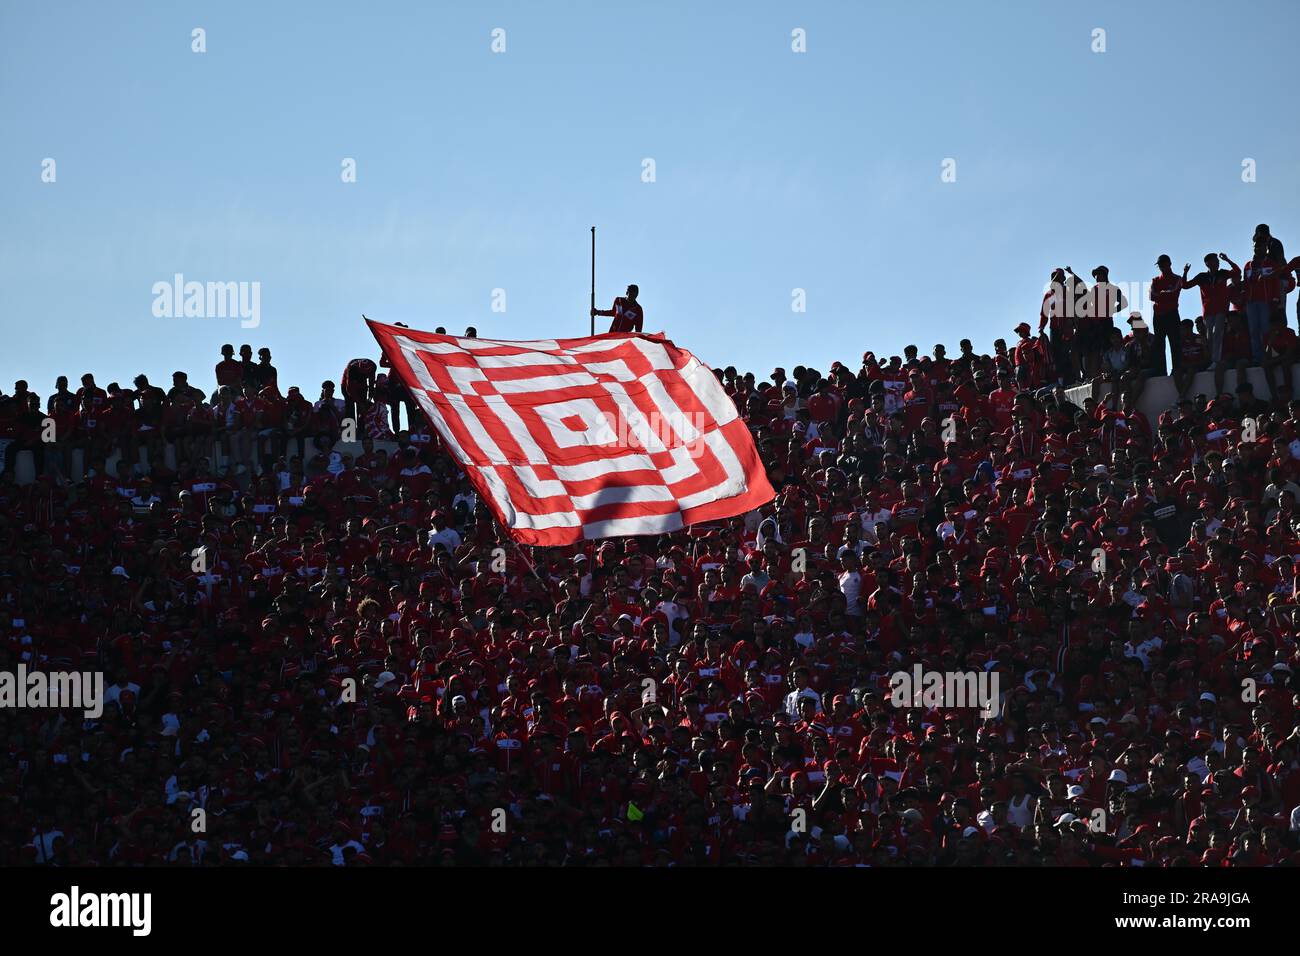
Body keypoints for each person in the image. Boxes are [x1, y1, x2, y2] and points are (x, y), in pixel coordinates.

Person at [1182, 253, 1239, 365]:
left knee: (1217, 332)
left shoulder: (1222, 273)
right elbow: (1185, 285)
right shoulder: (1202, 277)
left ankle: (1216, 360)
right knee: (1209, 337)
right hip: (1208, 312)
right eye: (1215, 261)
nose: (1217, 263)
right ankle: (1212, 360)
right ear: (1208, 264)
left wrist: (1228, 260)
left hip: (1221, 310)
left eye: (1217, 261)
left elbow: (1237, 272)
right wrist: (1185, 272)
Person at [1148, 254, 1188, 376]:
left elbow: (1174, 294)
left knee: (1175, 342)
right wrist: (1164, 295)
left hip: (1172, 314)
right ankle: (1161, 371)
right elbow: (1151, 296)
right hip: (1158, 316)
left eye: (1163, 264)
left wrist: (1161, 295)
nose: (1161, 267)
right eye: (1159, 265)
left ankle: (1176, 369)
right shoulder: (1155, 280)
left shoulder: (1177, 278)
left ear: (1169, 264)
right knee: (1159, 344)